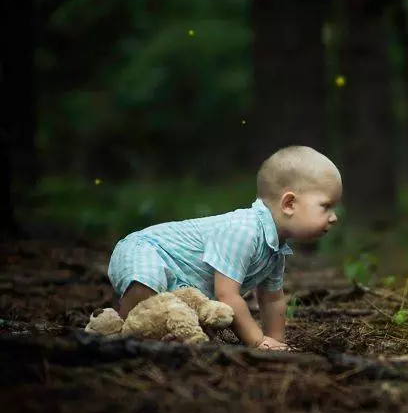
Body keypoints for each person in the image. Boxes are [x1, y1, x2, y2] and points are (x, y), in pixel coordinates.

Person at [107, 146, 341, 350]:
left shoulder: (276, 249)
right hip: (147, 250)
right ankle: (117, 333)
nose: (334, 218)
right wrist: (257, 341)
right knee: (146, 287)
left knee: (175, 315)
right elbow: (226, 294)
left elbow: (272, 300)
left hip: (181, 281)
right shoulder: (244, 231)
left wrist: (275, 341)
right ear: (289, 204)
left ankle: (149, 339)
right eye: (326, 206)